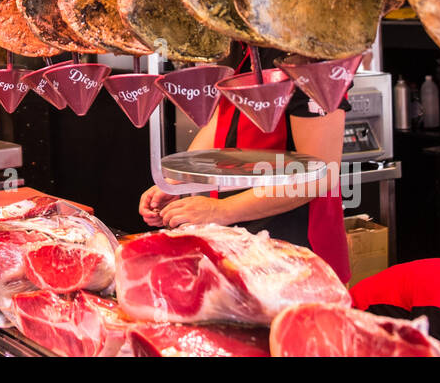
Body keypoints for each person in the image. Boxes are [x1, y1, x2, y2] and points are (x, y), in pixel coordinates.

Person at [138, 51, 351, 281]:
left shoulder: (310, 57)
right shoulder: (241, 49)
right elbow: (223, 118)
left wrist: (220, 210)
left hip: (298, 250)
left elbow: (319, 176)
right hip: (239, 241)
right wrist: (178, 180)